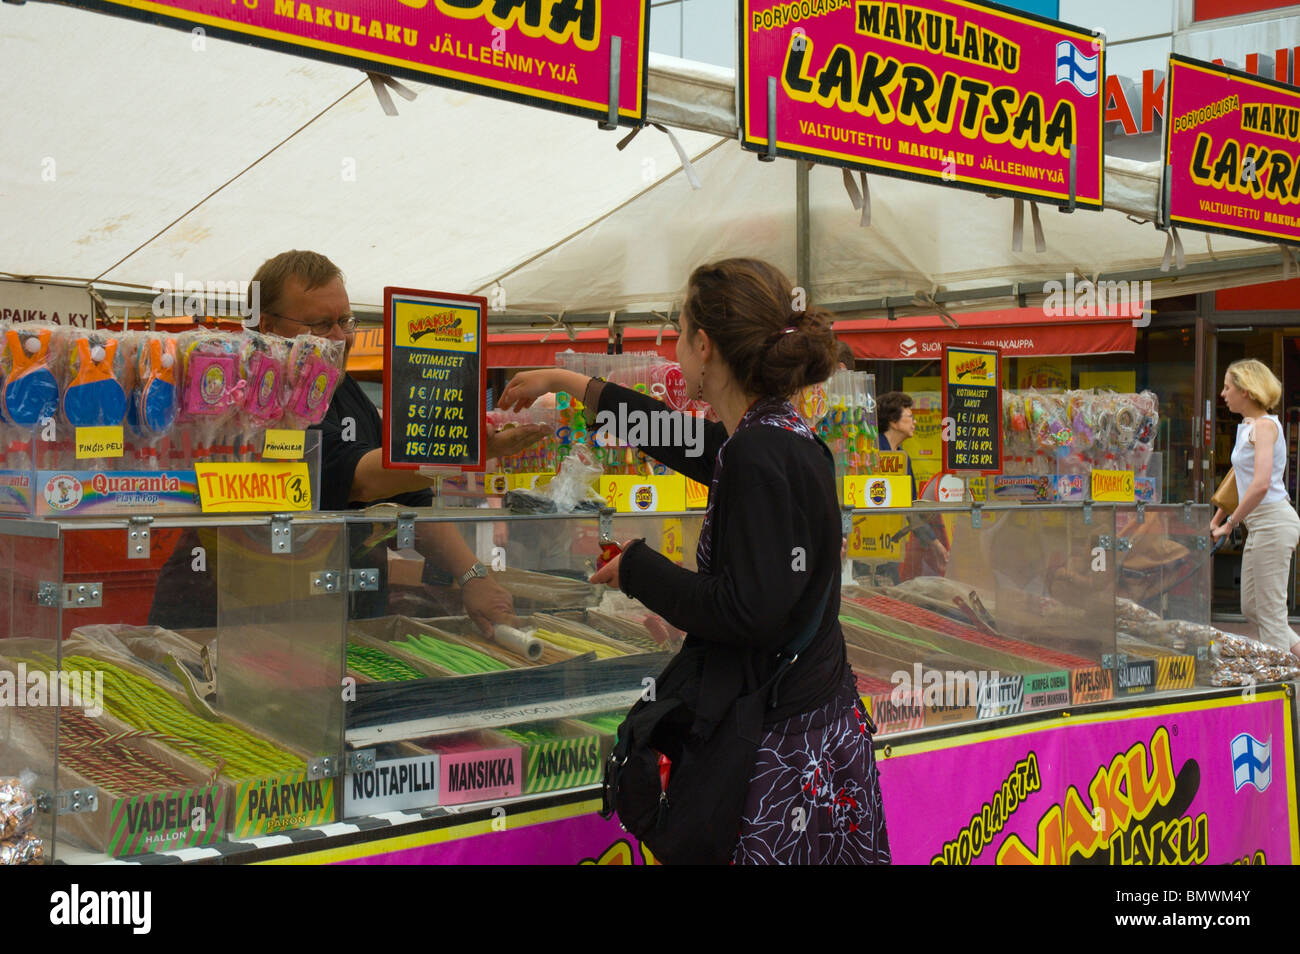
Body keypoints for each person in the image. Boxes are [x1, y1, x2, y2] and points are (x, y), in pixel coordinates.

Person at [500, 257, 889, 865]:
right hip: (816, 724)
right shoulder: (776, 433)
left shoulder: (759, 450)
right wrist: (567, 381)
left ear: (704, 346)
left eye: (679, 335)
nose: (675, 350)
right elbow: (680, 440)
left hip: (785, 752)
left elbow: (748, 610)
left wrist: (635, 568)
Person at [149, 250, 544, 634]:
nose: (340, 338)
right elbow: (359, 478)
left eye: (346, 321)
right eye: (322, 324)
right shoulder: (249, 396)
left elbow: (406, 502)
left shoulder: (346, 390)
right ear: (266, 326)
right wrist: (460, 451)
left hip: (333, 621)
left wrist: (472, 575)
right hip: (224, 623)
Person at [1211, 359, 1300, 658]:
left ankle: (1279, 683)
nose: (1223, 394)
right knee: (1252, 607)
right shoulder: (1248, 428)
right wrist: (1218, 517)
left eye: (1227, 387)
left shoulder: (1264, 427)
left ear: (1246, 391)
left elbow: (1260, 484)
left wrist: (1230, 524)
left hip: (1273, 521)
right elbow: (1240, 479)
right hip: (1260, 524)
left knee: (1271, 612)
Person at [877, 390, 948, 577]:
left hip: (891, 544)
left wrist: (935, 543)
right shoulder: (872, 451)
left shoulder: (903, 458)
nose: (915, 422)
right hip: (868, 545)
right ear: (893, 421)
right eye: (910, 416)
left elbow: (910, 507)